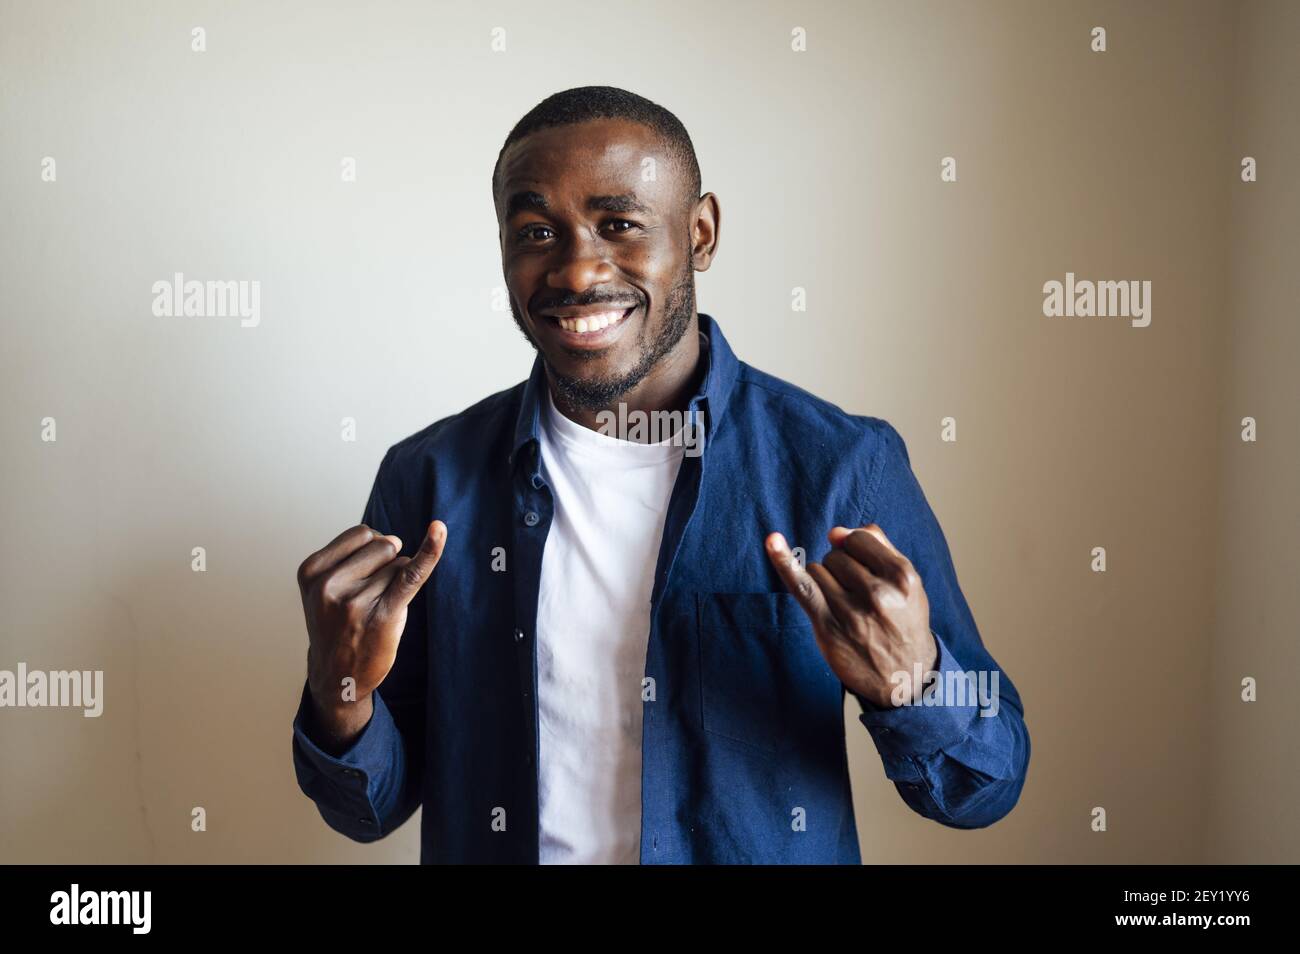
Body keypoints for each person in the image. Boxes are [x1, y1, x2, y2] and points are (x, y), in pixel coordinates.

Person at [291, 85, 1030, 864]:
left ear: (700, 232)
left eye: (619, 224)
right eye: (538, 231)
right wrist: (340, 692)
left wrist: (917, 685)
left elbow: (989, 779)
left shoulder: (840, 467)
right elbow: (369, 808)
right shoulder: (429, 479)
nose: (576, 272)